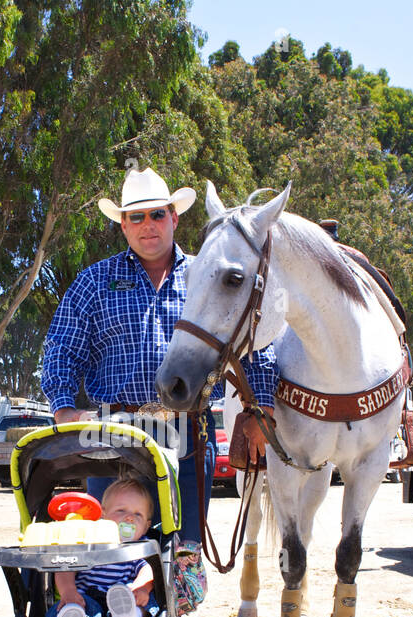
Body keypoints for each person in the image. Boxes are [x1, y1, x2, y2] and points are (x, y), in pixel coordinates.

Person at [41, 166, 277, 547]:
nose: (147, 224)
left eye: (157, 214)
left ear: (174, 217)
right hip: (110, 432)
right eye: (136, 216)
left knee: (183, 550)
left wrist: (259, 408)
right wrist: (63, 407)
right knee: (108, 549)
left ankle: (173, 609)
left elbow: (256, 341)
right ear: (123, 225)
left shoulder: (211, 272)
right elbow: (62, 348)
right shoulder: (93, 282)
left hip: (188, 432)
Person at [46, 479, 159, 617]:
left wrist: (142, 588)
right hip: (86, 598)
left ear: (146, 525)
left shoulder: (137, 549)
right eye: (121, 510)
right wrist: (68, 592)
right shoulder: (91, 541)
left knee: (147, 602)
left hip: (124, 595)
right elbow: (66, 568)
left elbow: (148, 570)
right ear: (102, 516)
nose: (129, 518)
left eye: (138, 514)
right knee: (71, 607)